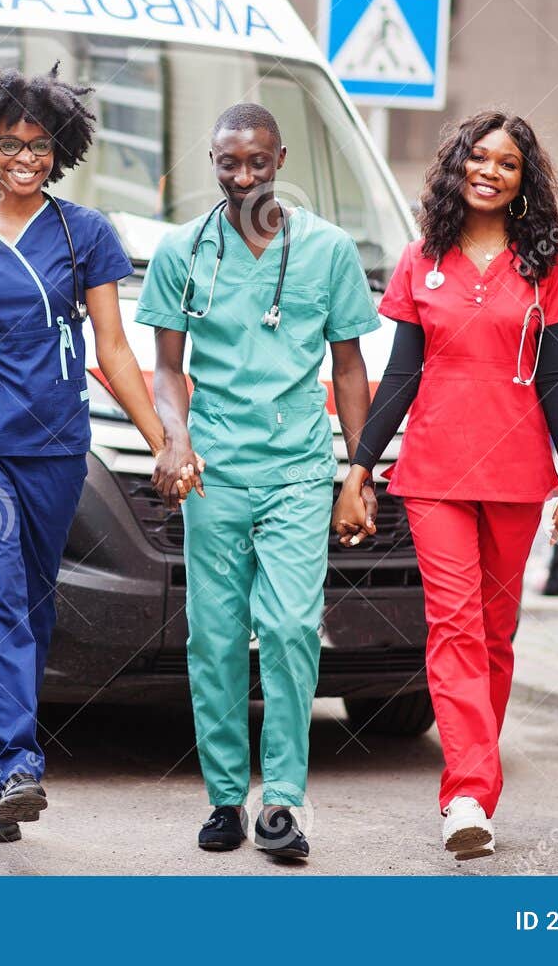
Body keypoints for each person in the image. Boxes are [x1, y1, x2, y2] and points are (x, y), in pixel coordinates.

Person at [0, 58, 180, 843]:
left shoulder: (86, 234)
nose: (25, 158)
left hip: (56, 448)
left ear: (60, 149)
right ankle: (16, 767)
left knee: (32, 605)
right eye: (8, 145)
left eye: (38, 144)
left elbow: (114, 345)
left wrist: (165, 442)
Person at [333, 111, 558, 860]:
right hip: (436, 472)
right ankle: (468, 792)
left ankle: (475, 777)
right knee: (452, 625)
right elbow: (402, 374)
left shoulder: (549, 261)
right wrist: (361, 467)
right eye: (478, 157)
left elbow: (555, 375)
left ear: (524, 179)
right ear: (458, 166)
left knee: (496, 633)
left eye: (507, 162)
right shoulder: (424, 257)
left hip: (517, 474)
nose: (489, 170)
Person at [136, 102, 378, 861]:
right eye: (228, 162)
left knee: (289, 628)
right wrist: (175, 439)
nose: (243, 176)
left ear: (279, 161)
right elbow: (169, 369)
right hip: (214, 472)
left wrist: (356, 471)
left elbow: (348, 367)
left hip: (298, 468)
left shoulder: (329, 251)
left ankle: (281, 803)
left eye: (258, 162)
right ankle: (222, 797)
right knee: (213, 637)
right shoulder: (182, 250)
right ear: (212, 161)